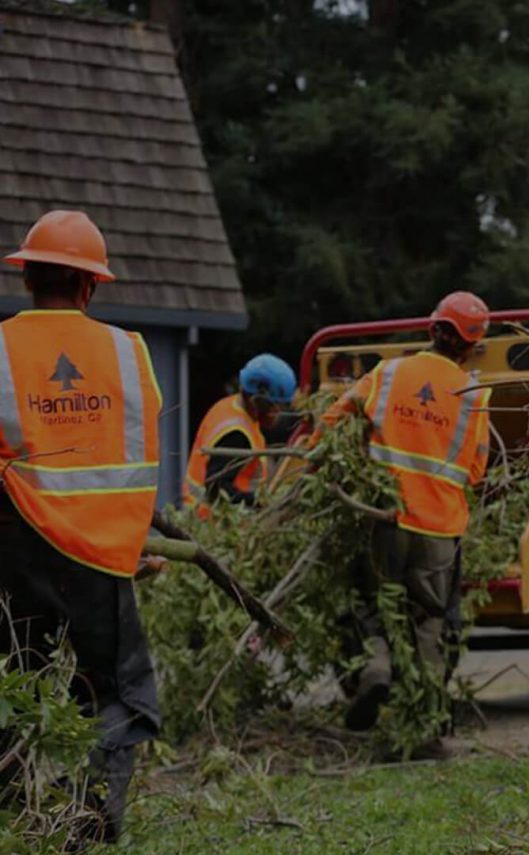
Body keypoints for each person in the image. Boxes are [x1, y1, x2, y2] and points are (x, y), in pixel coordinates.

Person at [0, 210, 163, 842]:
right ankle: (91, 819)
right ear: (90, 285)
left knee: (18, 680)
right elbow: (140, 460)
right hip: (99, 558)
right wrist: (134, 545)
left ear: (28, 277)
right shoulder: (130, 353)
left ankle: (20, 808)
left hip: (15, 550)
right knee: (118, 695)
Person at [320, 291, 492, 752]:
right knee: (430, 621)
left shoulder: (389, 372)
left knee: (373, 604)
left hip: (385, 516)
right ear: (470, 345)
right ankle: (428, 722)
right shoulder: (475, 396)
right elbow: (475, 472)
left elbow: (334, 422)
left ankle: (376, 669)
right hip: (439, 528)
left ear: (432, 329)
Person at [183, 354, 297, 509]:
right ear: (260, 401)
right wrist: (258, 502)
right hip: (213, 523)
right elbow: (215, 488)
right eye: (276, 406)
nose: (278, 414)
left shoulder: (231, 407)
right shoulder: (236, 434)